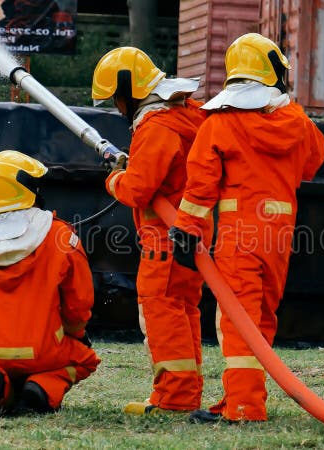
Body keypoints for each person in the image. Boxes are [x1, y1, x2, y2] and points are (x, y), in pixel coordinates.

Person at [169, 33, 324, 423]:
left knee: (239, 322)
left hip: (240, 235)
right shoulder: (298, 122)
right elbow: (314, 163)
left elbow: (201, 185)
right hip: (280, 235)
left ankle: (243, 406)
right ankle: (242, 398)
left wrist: (186, 230)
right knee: (262, 319)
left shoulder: (219, 123)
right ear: (274, 72)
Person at [91, 47, 210, 415]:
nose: (117, 106)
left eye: (116, 99)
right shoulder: (186, 116)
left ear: (128, 91)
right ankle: (184, 395)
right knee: (183, 312)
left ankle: (173, 399)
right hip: (190, 237)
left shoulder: (157, 126)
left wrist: (115, 179)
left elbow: (137, 190)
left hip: (164, 240)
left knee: (162, 314)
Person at [0, 150, 101, 418]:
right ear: (29, 188)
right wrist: (77, 333)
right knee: (85, 360)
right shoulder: (60, 235)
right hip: (48, 349)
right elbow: (79, 302)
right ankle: (41, 388)